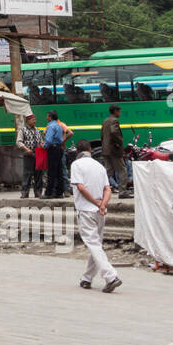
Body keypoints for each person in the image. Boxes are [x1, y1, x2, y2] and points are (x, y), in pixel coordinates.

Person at [70, 140, 121, 292]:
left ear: (78, 152)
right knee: (96, 244)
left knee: (93, 244)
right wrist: (102, 204)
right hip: (100, 212)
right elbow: (107, 188)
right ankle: (87, 278)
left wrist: (95, 202)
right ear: (90, 150)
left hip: (86, 210)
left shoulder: (76, 165)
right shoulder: (99, 166)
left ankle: (111, 276)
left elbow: (80, 187)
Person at [17, 114, 45, 198]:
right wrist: (26, 149)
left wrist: (42, 145)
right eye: (33, 120)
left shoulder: (37, 130)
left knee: (39, 174)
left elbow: (41, 141)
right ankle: (25, 192)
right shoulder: (23, 130)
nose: (35, 121)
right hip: (28, 154)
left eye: (35, 119)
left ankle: (38, 192)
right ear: (28, 121)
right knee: (27, 174)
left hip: (37, 154)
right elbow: (19, 142)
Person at [100, 105, 128, 192]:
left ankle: (99, 189)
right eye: (119, 111)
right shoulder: (114, 120)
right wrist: (119, 143)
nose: (120, 113)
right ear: (115, 111)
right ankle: (122, 191)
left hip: (105, 149)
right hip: (114, 149)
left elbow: (102, 135)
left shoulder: (105, 121)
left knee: (108, 171)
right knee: (122, 170)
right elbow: (114, 132)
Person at [43, 111, 67, 199]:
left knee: (51, 171)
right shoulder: (58, 125)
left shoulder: (51, 126)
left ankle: (48, 193)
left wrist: (44, 146)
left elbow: (48, 140)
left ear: (50, 117)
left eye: (47, 116)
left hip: (52, 149)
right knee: (59, 171)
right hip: (59, 149)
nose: (46, 117)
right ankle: (59, 192)